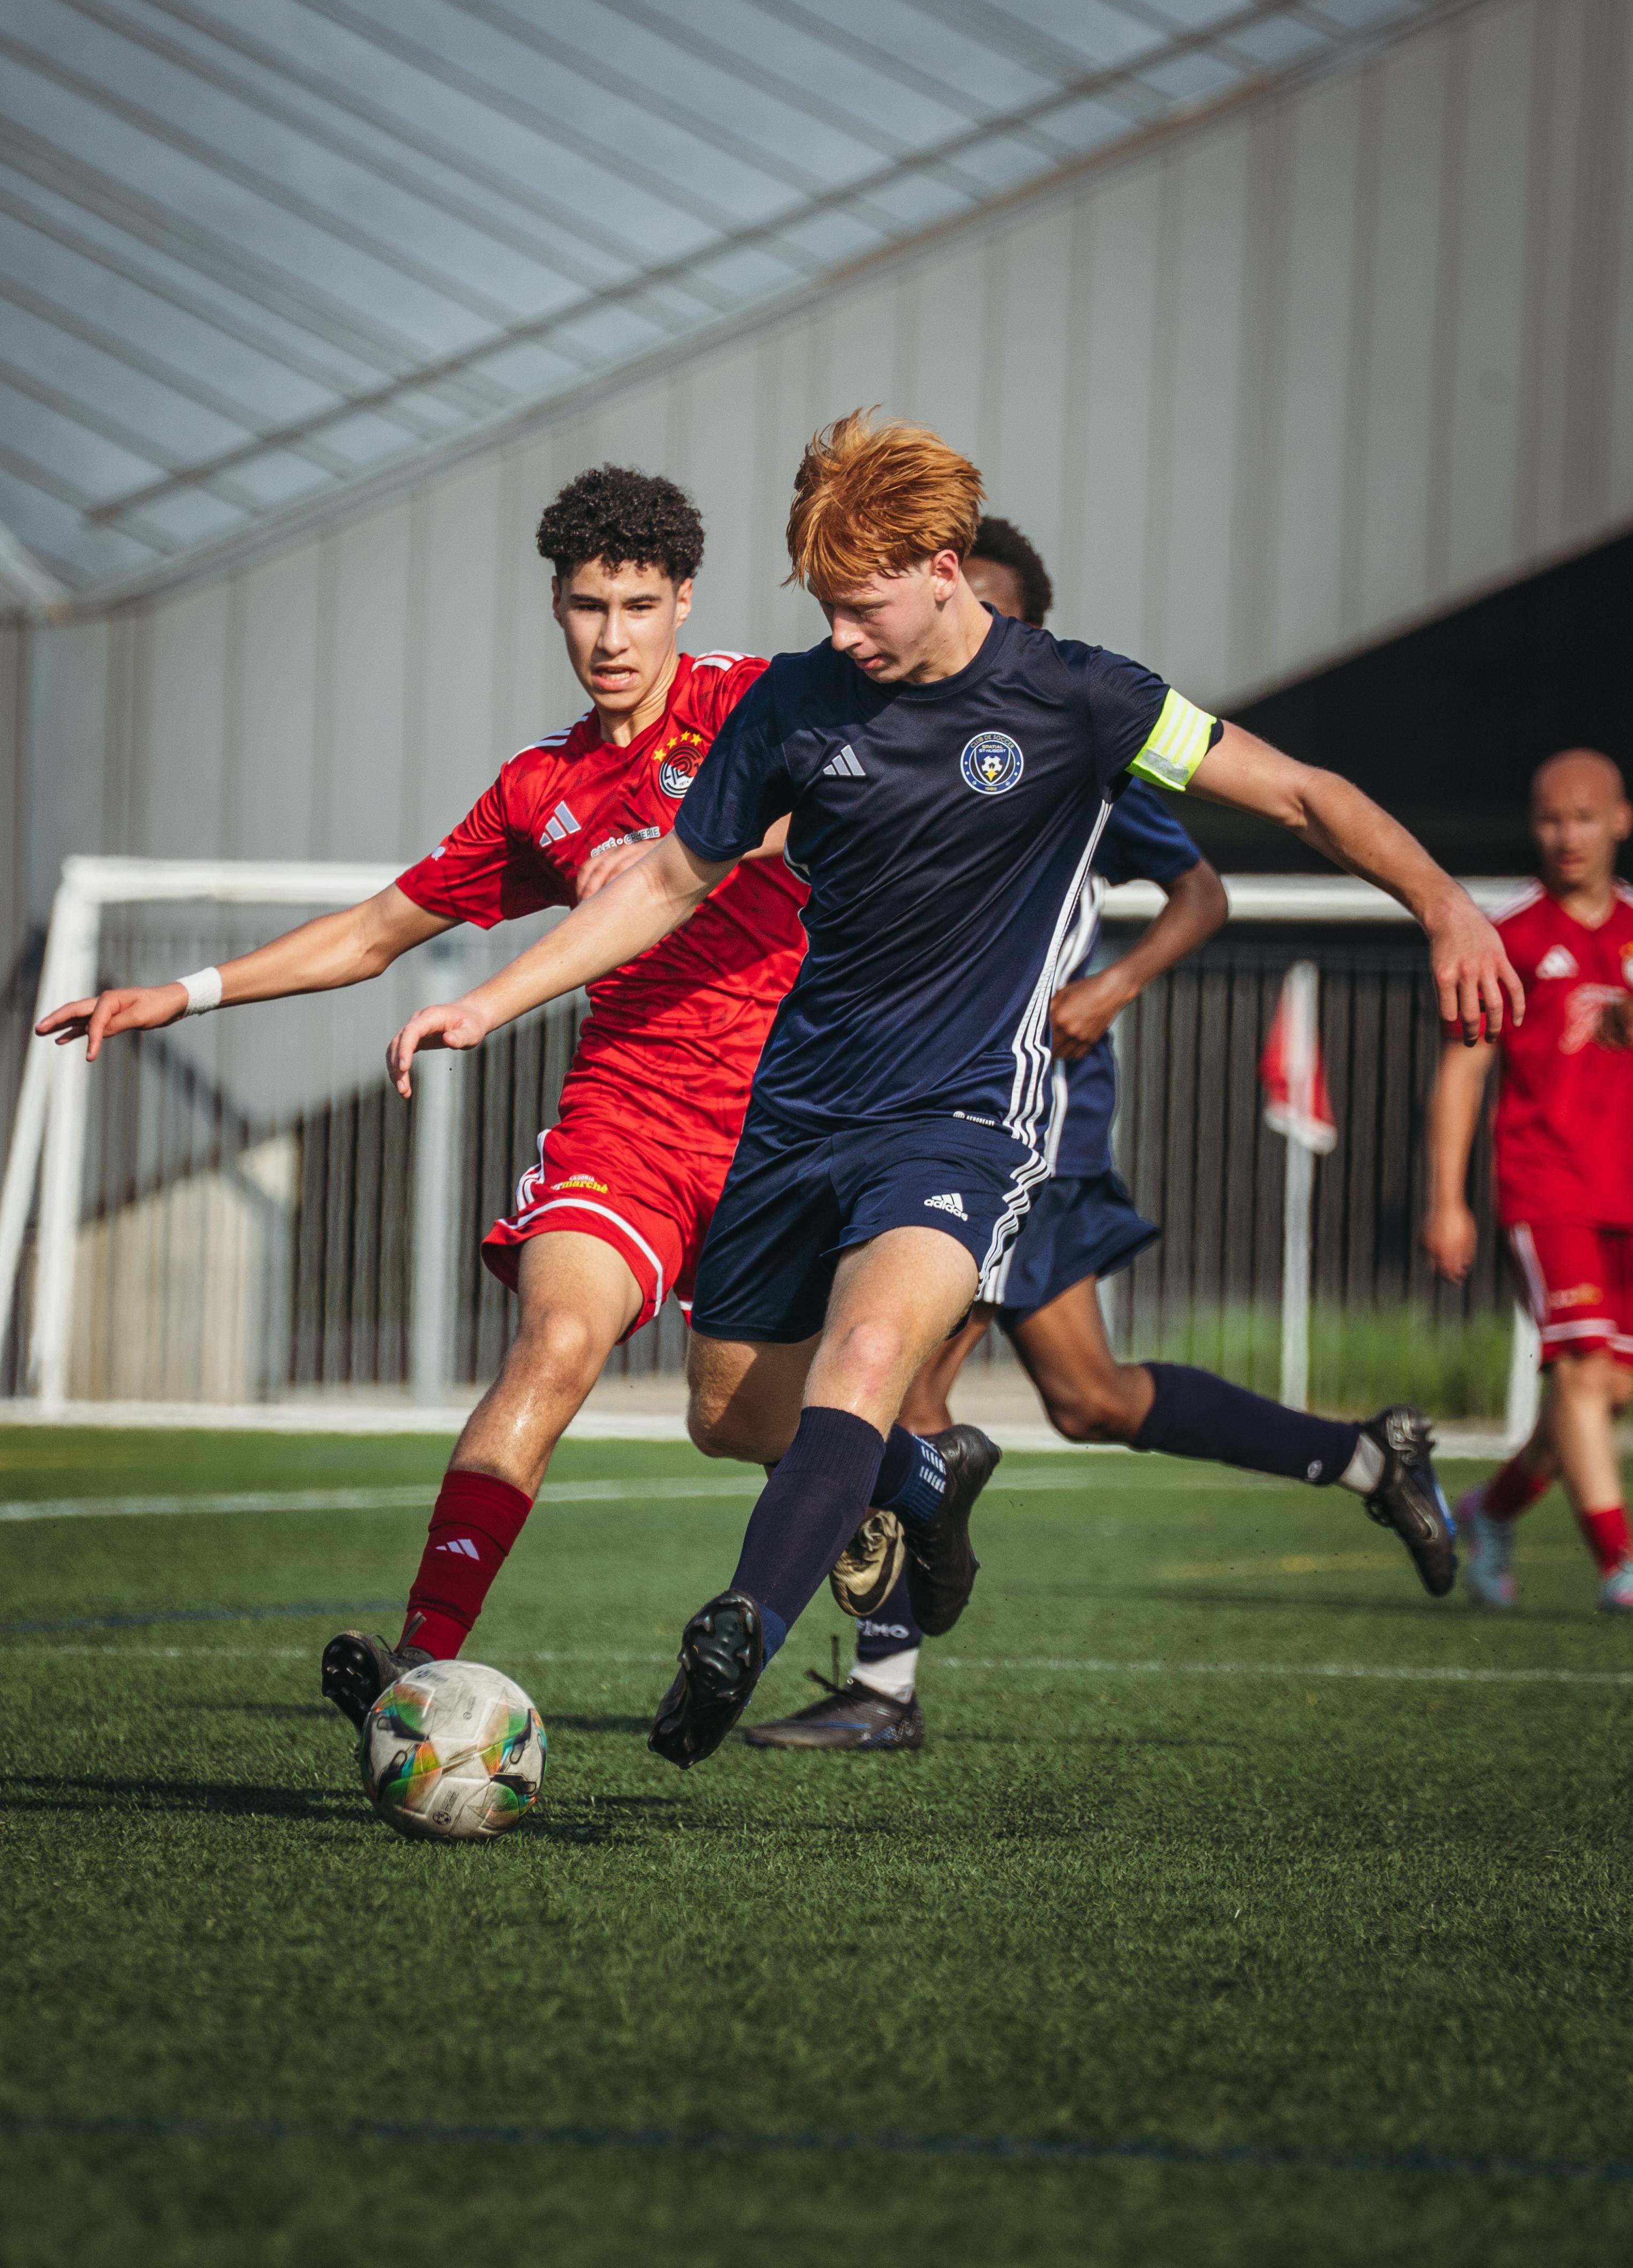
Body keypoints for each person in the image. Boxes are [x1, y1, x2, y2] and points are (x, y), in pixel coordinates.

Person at [389, 413, 1521, 1772]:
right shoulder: (799, 702)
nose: (844, 637)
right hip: (797, 1109)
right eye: (823, 610)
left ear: (942, 567)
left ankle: (747, 1624)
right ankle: (923, 1486)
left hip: (964, 1113)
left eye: (861, 608)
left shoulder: (1081, 697)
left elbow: (1299, 797)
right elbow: (669, 880)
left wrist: (1446, 906)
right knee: (727, 1412)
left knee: (874, 1361)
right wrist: (489, 998)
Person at [36, 466, 808, 1724]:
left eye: (637, 604)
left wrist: (716, 837)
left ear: (683, 600)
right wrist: (182, 993)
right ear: (554, 605)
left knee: (728, 1420)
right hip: (631, 1114)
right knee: (555, 1340)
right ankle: (421, 1657)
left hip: (788, 1114)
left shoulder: (759, 704)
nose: (610, 637)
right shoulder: (537, 789)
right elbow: (374, 930)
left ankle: (905, 1477)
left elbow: (858, 789)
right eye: (584, 606)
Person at [744, 515, 1228, 1753]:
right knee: (1077, 1394)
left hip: (1016, 1113)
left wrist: (1108, 990)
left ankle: (883, 1687)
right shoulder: (868, 721)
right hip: (894, 1099)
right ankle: (1365, 1460)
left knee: (907, 1383)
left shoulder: (1072, 736)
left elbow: (1202, 886)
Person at [1424, 749, 1633, 1614]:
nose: (1567, 834)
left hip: (1623, 1192)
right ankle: (1618, 1564)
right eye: (1551, 818)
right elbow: (1464, 1073)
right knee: (1584, 1372)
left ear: (1620, 821)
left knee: (1608, 1391)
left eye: (1585, 817)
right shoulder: (1508, 938)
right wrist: (1446, 1199)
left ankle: (1490, 1511)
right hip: (1546, 1190)